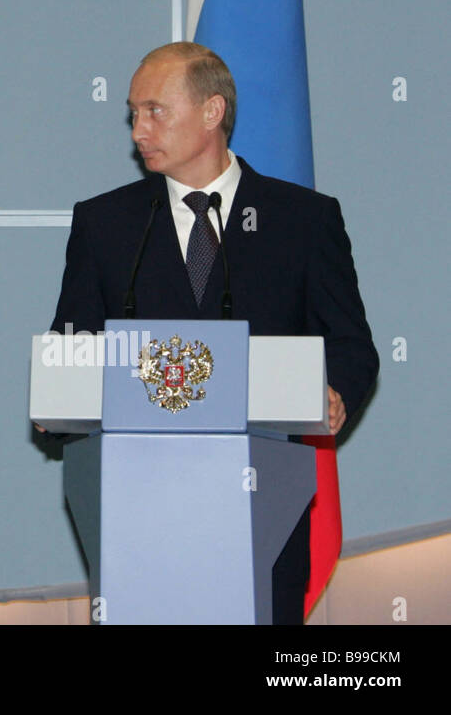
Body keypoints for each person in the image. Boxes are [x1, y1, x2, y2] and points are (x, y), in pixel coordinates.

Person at [48, 41, 379, 624]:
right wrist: (57, 397)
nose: (138, 130)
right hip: (139, 510)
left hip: (263, 507)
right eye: (133, 113)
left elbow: (351, 345)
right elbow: (72, 340)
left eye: (155, 111)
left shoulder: (302, 219)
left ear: (212, 112)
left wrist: (336, 392)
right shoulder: (105, 223)